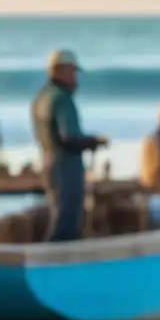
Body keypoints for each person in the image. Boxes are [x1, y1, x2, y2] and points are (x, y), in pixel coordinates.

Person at [30, 49, 109, 241]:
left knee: (59, 215)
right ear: (59, 71)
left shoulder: (40, 98)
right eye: (72, 71)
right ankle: (54, 264)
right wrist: (92, 142)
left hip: (48, 163)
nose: (75, 77)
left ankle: (50, 261)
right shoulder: (62, 98)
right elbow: (68, 138)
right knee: (67, 222)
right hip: (66, 167)